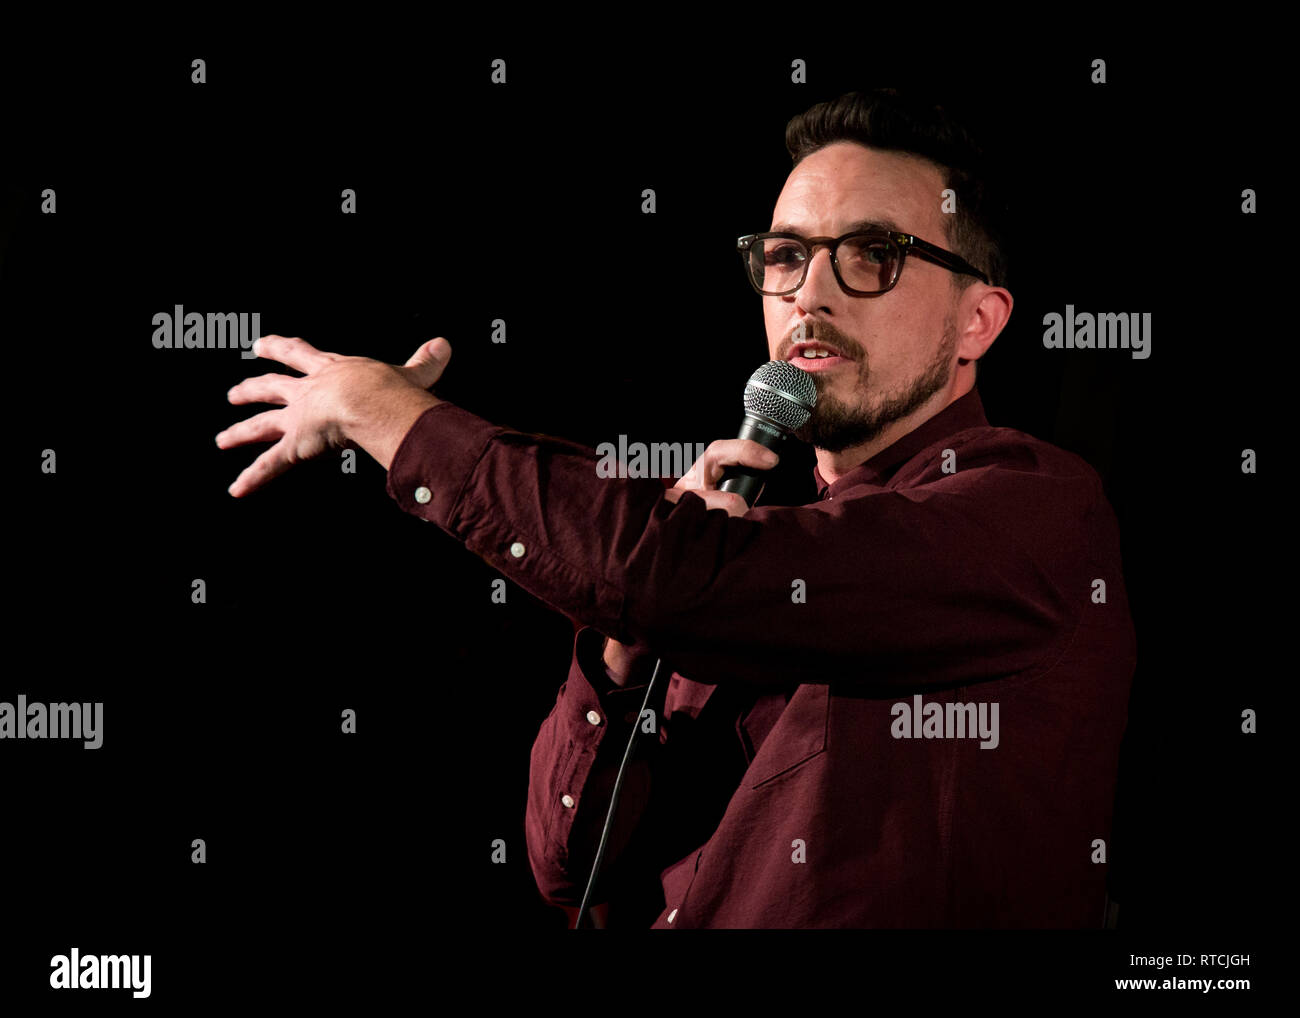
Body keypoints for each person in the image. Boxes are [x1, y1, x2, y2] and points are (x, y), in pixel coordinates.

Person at [216, 90, 1136, 929]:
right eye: (785, 257)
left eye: (871, 255)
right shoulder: (731, 552)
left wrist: (399, 421)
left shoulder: (1033, 510)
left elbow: (670, 578)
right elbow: (566, 868)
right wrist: (627, 642)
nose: (809, 293)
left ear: (978, 322)